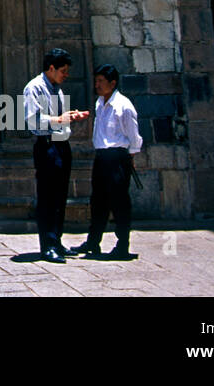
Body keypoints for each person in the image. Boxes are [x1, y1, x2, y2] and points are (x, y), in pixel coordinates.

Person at [70, 64, 142, 260]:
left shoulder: (124, 106)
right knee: (98, 201)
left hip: (118, 156)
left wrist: (131, 156)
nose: (97, 85)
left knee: (119, 201)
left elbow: (133, 135)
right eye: (96, 81)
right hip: (102, 157)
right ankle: (93, 241)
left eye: (101, 81)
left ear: (113, 83)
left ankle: (122, 244)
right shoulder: (100, 103)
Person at [22, 48, 88, 263]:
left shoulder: (56, 89)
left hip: (61, 144)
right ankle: (47, 245)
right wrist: (60, 119)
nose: (65, 75)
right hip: (47, 145)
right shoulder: (35, 88)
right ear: (51, 68)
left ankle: (56, 240)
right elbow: (32, 121)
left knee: (60, 196)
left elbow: (58, 119)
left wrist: (70, 117)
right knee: (48, 197)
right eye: (63, 70)